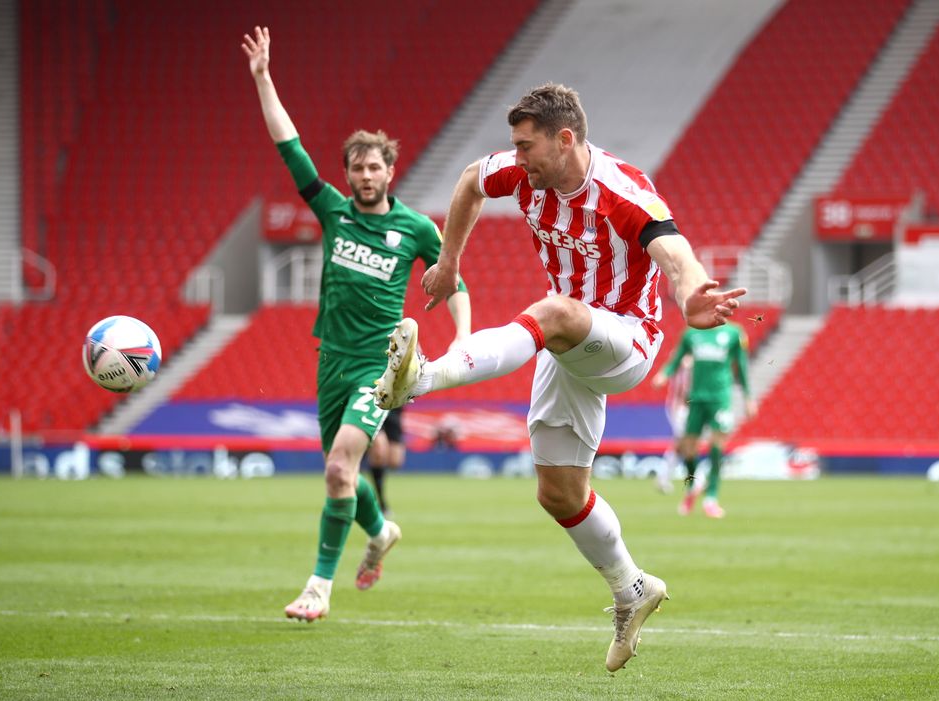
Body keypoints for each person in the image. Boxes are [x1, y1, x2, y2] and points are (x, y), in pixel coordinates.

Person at [373, 83, 746, 672]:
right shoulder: (522, 174)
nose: (516, 158)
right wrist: (448, 262)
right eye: (514, 146)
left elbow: (672, 249)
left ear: (564, 138)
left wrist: (690, 291)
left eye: (525, 146)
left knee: (552, 309)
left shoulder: (623, 190)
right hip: (568, 343)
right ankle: (631, 587)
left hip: (629, 339)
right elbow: (471, 180)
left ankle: (419, 378)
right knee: (558, 493)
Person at [241, 26, 471, 623]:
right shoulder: (334, 213)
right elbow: (289, 146)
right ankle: (381, 530)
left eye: (374, 167)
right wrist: (265, 78)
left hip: (378, 365)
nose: (365, 176)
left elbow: (455, 283)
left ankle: (318, 587)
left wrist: (465, 339)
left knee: (342, 467)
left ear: (390, 170)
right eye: (356, 168)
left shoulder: (418, 228)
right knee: (339, 475)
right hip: (331, 361)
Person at [651, 323, 756, 518]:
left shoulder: (734, 334)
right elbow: (677, 359)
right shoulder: (692, 334)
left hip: (720, 398)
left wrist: (748, 396)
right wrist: (664, 374)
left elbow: (741, 364)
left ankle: (712, 498)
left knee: (717, 445)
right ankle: (692, 487)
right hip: (696, 398)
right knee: (688, 448)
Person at [656, 355, 693, 495]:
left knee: (681, 445)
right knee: (685, 442)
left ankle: (663, 477)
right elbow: (673, 366)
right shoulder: (684, 357)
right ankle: (695, 479)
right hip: (678, 408)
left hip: (687, 408)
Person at [365, 407, 405, 516]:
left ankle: (364, 451)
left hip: (394, 407)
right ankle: (380, 502)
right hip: (374, 406)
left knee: (395, 461)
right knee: (379, 451)